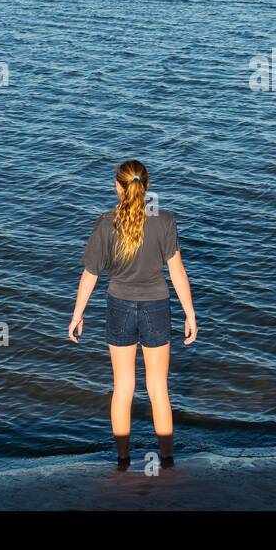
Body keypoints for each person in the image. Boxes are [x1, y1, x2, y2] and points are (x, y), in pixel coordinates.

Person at [68, 160, 197, 470]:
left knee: (123, 386)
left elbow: (90, 275)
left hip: (119, 306)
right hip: (157, 306)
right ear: (146, 186)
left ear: (117, 186)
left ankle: (123, 459)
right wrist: (190, 314)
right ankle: (167, 459)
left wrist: (77, 315)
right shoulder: (164, 221)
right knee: (158, 389)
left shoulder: (105, 223)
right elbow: (178, 273)